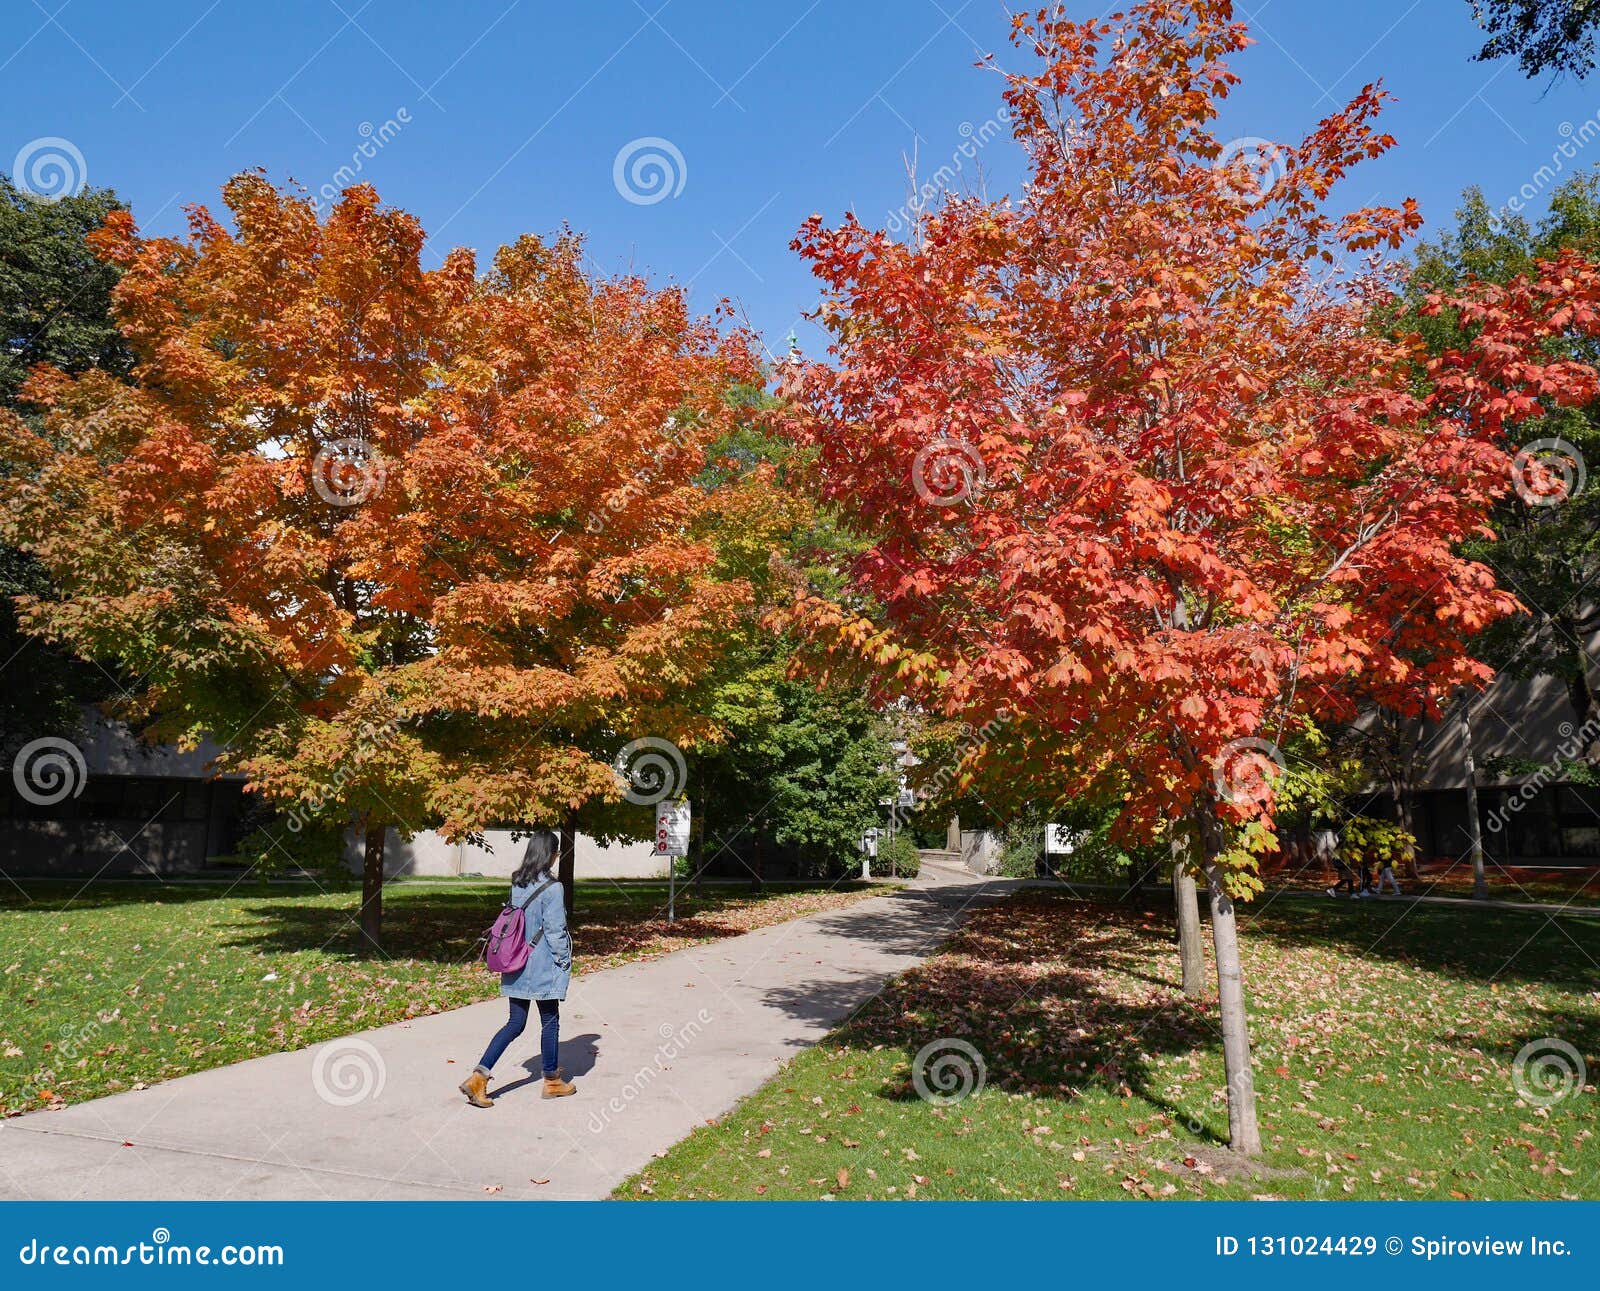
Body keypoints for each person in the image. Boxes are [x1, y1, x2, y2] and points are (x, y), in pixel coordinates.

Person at [459, 831, 576, 1107]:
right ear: (551, 854)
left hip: (515, 961)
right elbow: (555, 930)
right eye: (556, 853)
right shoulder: (553, 888)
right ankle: (551, 1081)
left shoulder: (518, 882)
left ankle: (479, 1077)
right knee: (550, 1020)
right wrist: (564, 961)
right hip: (542, 964)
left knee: (515, 1022)